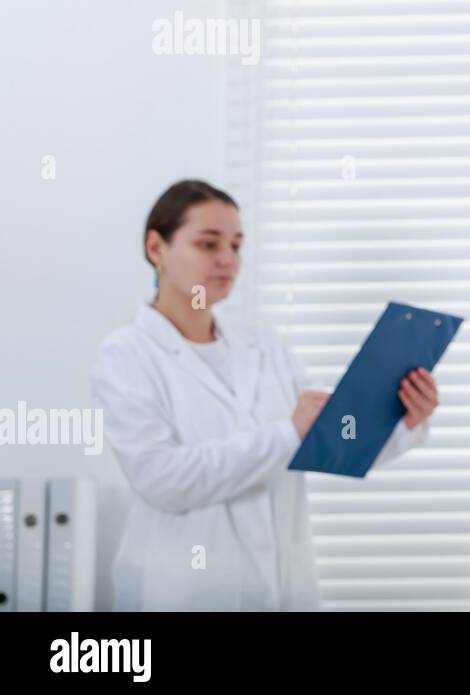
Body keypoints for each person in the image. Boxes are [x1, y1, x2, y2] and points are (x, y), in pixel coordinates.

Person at [90, 179, 440, 611]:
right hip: (186, 594)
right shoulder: (126, 355)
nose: (227, 261)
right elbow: (163, 481)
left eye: (237, 246)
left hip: (285, 589)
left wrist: (403, 419)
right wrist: (286, 434)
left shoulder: (264, 343)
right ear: (156, 248)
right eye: (208, 244)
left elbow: (328, 444)